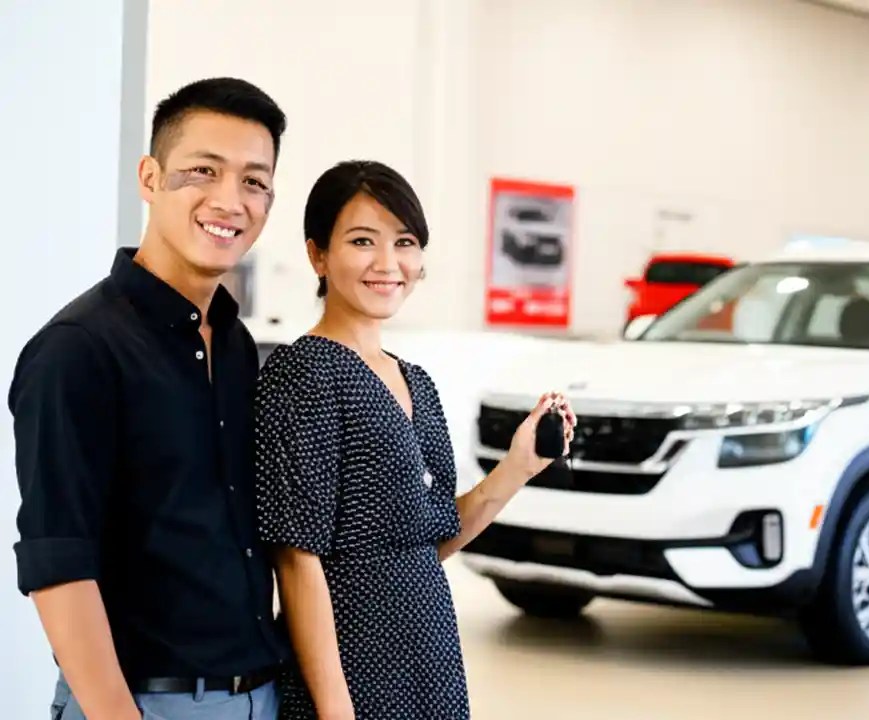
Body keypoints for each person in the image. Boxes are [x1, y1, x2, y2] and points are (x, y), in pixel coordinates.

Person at [8, 77, 290, 719]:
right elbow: (58, 565)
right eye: (203, 171)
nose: (230, 200)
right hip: (144, 703)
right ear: (150, 177)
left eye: (254, 181)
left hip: (260, 697)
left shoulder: (237, 344)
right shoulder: (78, 349)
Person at [254, 159, 576, 720]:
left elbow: (430, 542)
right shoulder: (304, 373)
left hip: (429, 661)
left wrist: (518, 467)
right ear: (317, 255)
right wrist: (334, 708)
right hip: (352, 667)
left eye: (404, 242)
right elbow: (296, 558)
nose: (388, 263)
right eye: (362, 241)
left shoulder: (416, 382)